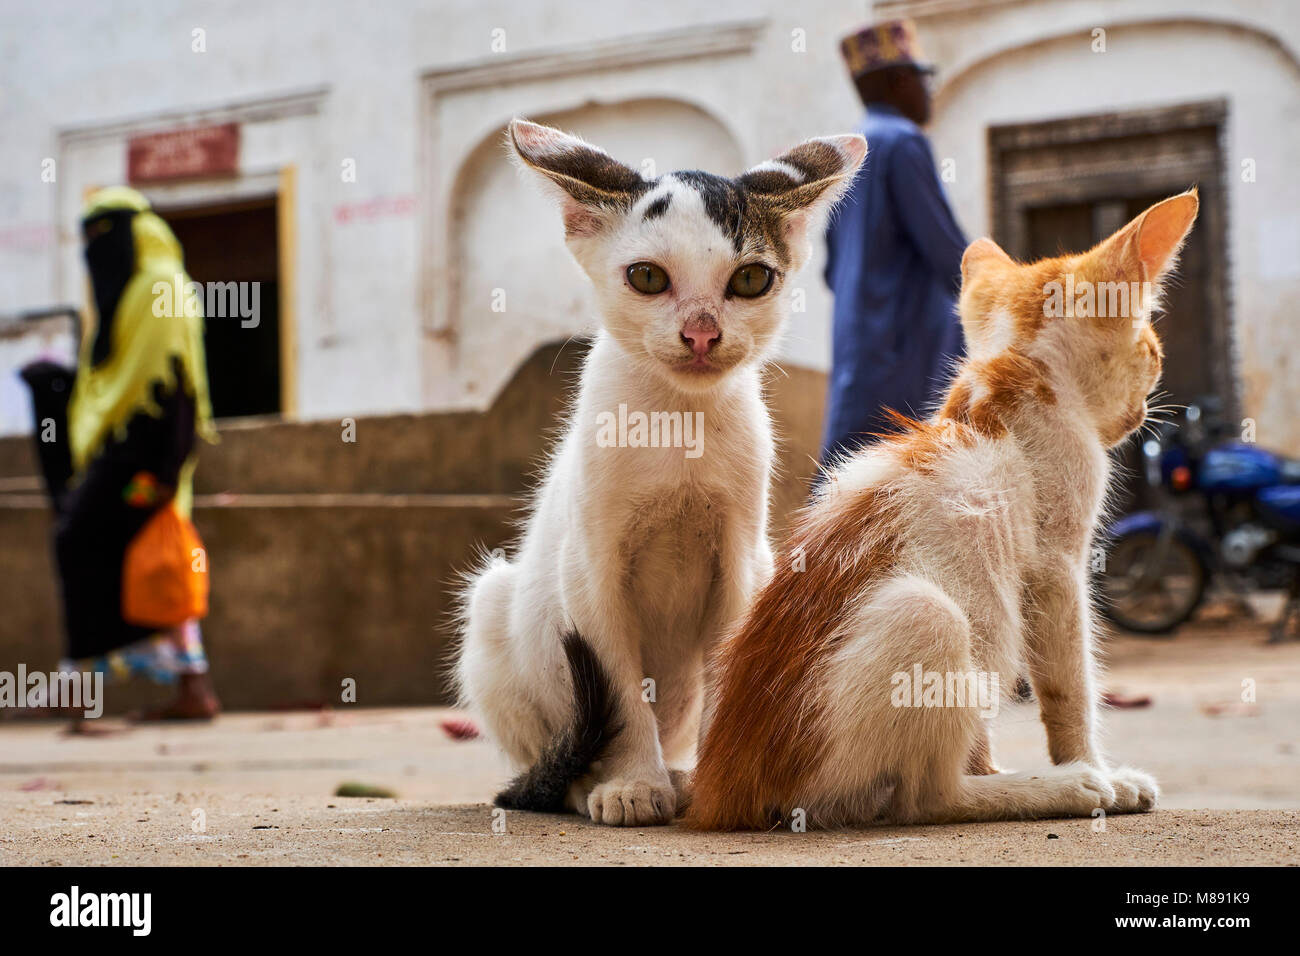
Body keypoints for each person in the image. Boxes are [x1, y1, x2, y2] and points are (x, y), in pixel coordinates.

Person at [20, 187, 220, 727]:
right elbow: (107, 383)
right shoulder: (124, 295)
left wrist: (162, 471)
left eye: (103, 234)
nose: (94, 248)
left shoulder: (161, 288)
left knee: (83, 540)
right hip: (122, 448)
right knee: (152, 562)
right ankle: (191, 685)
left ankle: (80, 688)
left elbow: (175, 384)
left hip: (149, 455)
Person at [821, 18, 968, 466]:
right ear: (899, 81)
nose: (928, 91)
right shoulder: (903, 143)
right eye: (922, 79)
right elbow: (952, 261)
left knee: (843, 488)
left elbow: (831, 272)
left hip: (858, 358)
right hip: (907, 361)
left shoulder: (846, 154)